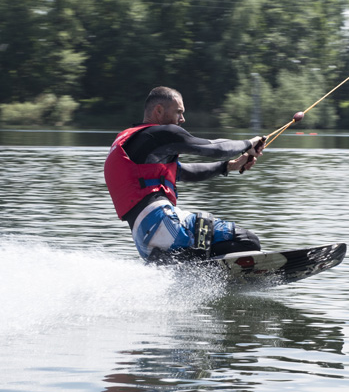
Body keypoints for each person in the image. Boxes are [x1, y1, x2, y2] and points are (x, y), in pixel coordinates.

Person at [104, 86, 265, 263]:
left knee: (213, 252)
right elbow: (214, 148)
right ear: (159, 110)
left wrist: (229, 166)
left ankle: (188, 266)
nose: (182, 119)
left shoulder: (135, 144)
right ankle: (197, 266)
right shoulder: (162, 133)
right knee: (248, 241)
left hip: (145, 241)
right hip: (165, 224)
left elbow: (185, 172)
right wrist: (249, 143)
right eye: (178, 112)